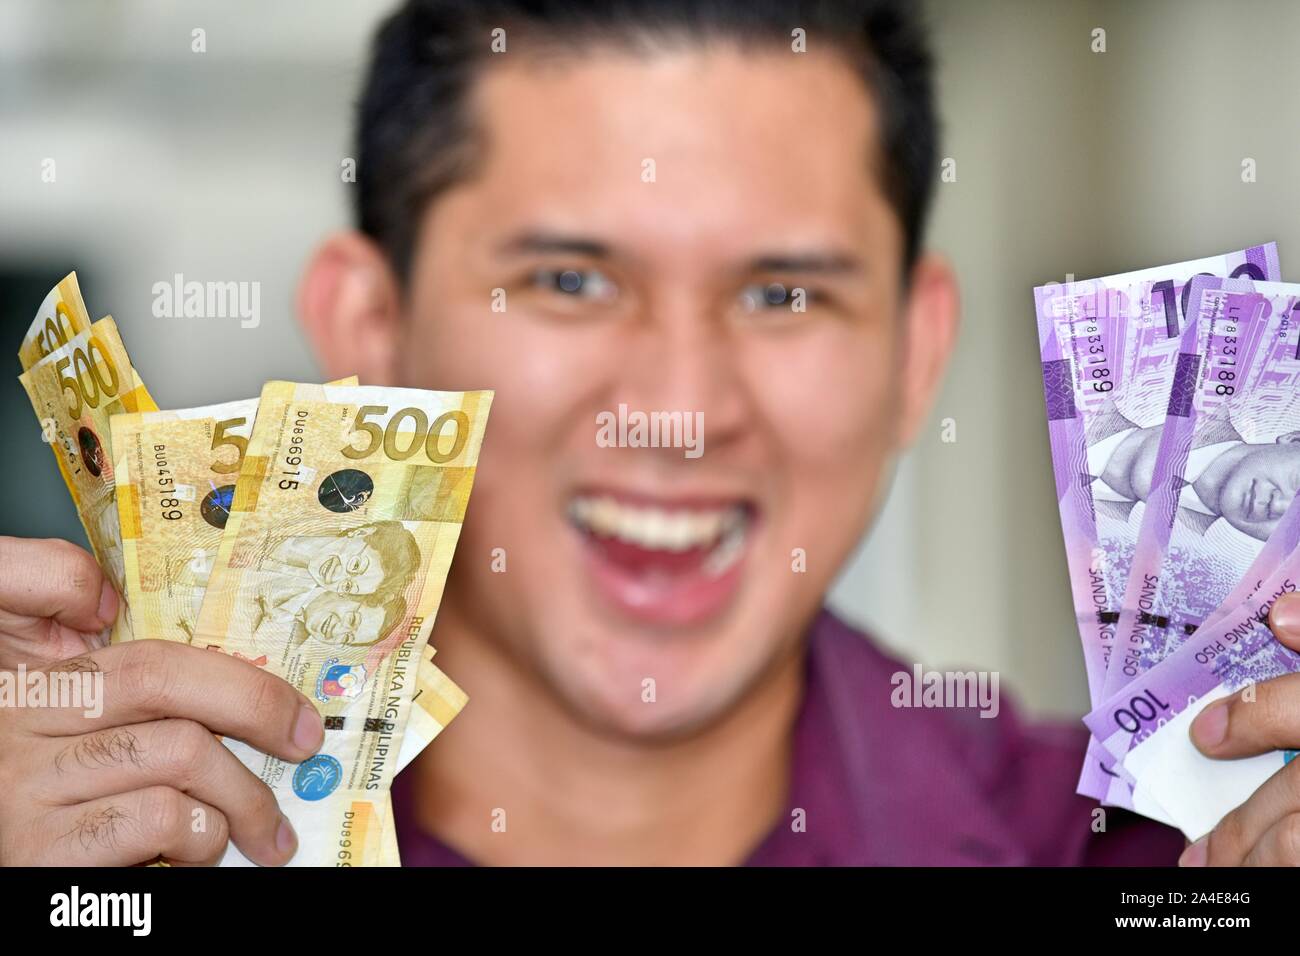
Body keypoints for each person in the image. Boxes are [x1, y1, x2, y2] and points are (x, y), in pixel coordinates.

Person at [2, 0, 1300, 867]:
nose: (681, 406)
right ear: (372, 329)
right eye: (571, 282)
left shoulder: (1169, 859)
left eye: (782, 294)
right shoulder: (96, 846)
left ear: (916, 354)